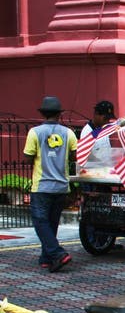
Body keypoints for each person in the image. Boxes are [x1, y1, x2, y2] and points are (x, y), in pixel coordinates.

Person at [23, 96, 77, 272]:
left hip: (42, 185)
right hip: (61, 185)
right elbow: (74, 157)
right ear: (59, 114)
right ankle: (46, 258)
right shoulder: (68, 133)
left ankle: (57, 253)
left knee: (40, 222)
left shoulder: (35, 132)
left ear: (43, 113)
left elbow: (28, 157)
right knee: (51, 223)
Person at [77, 100, 116, 170]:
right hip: (92, 171)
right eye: (105, 119)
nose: (107, 122)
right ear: (96, 114)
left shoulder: (104, 128)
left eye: (109, 119)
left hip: (105, 170)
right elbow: (87, 155)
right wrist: (103, 164)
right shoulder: (87, 132)